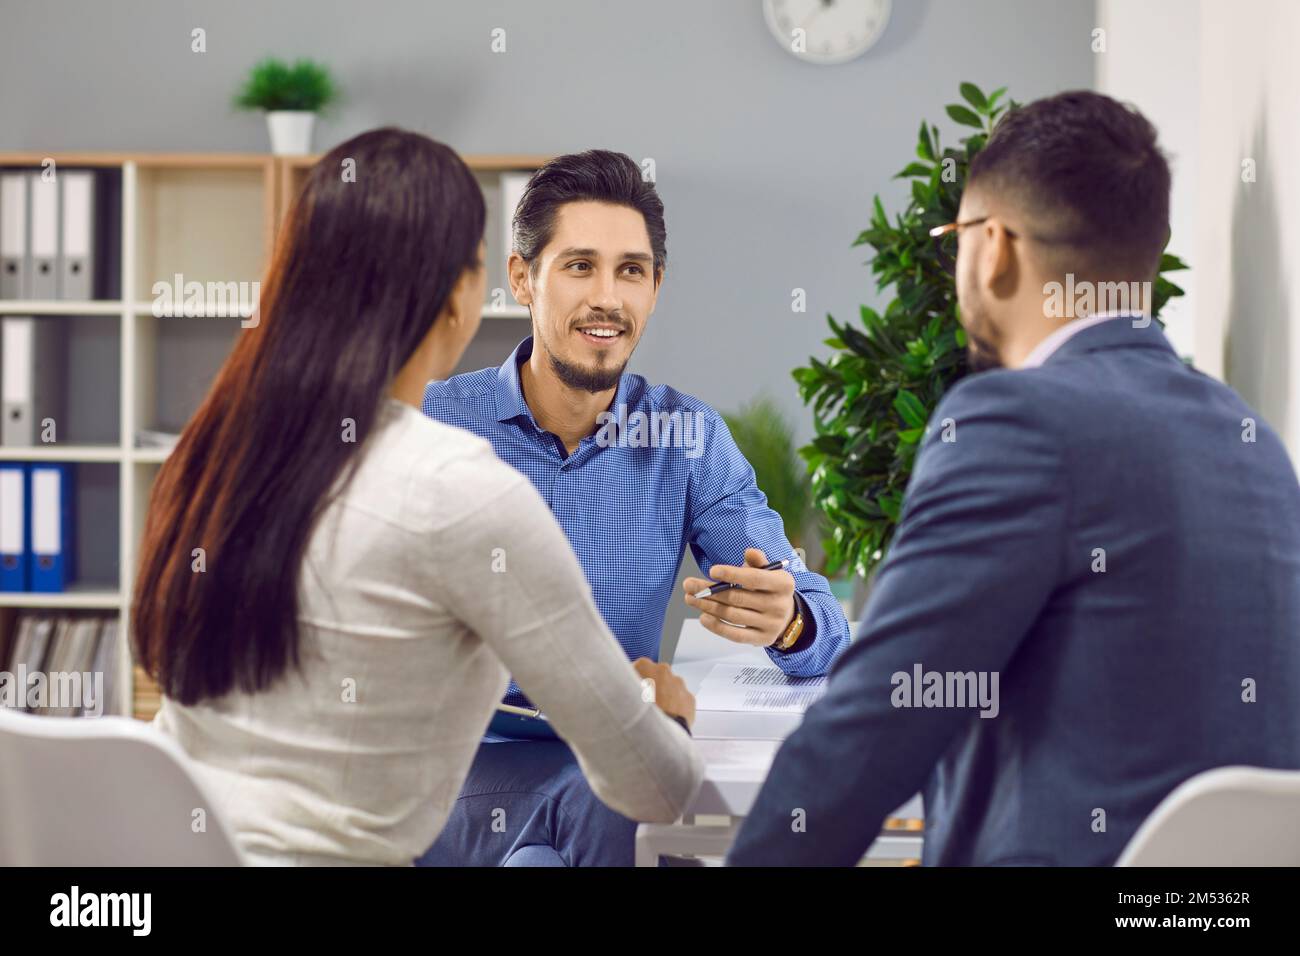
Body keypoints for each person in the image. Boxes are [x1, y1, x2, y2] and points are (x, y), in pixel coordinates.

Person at [727, 90, 1300, 866]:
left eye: (954, 236)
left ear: (993, 247)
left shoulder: (1015, 421)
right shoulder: (1252, 442)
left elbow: (872, 726)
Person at [134, 128, 704, 866]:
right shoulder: (460, 489)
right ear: (470, 291)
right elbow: (655, 787)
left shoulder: (212, 461)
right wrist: (671, 717)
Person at [418, 149, 852, 866]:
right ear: (524, 277)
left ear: (656, 288)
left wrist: (790, 617)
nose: (608, 298)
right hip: (466, 772)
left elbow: (815, 617)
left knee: (617, 794)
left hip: (612, 772)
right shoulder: (435, 422)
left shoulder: (686, 437)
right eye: (579, 266)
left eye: (631, 271)